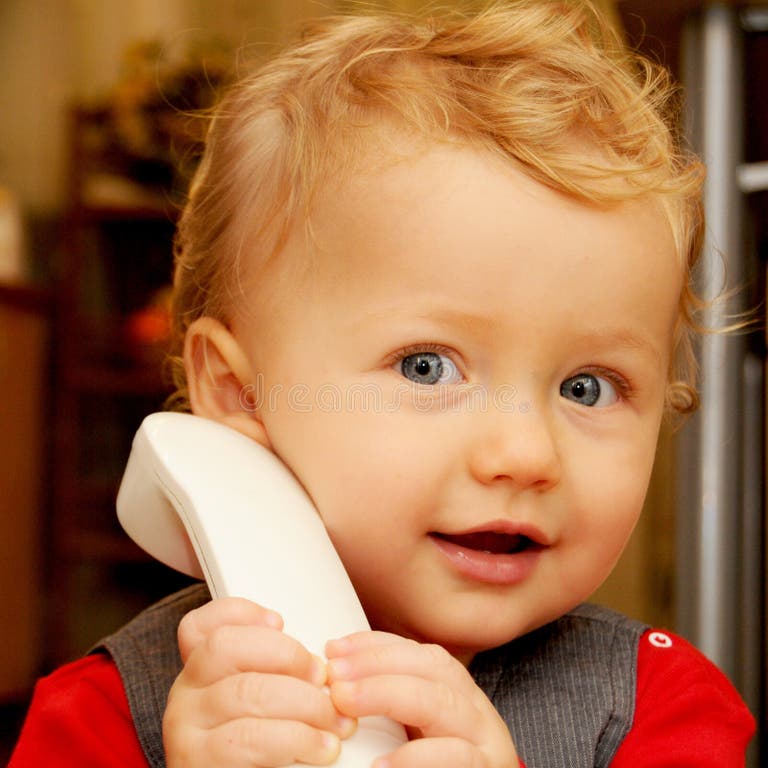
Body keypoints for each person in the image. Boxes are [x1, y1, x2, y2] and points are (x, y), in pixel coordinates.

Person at [11, 1, 756, 766]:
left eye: (588, 387)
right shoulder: (101, 717)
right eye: (427, 366)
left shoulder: (663, 713)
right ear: (240, 395)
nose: (526, 454)